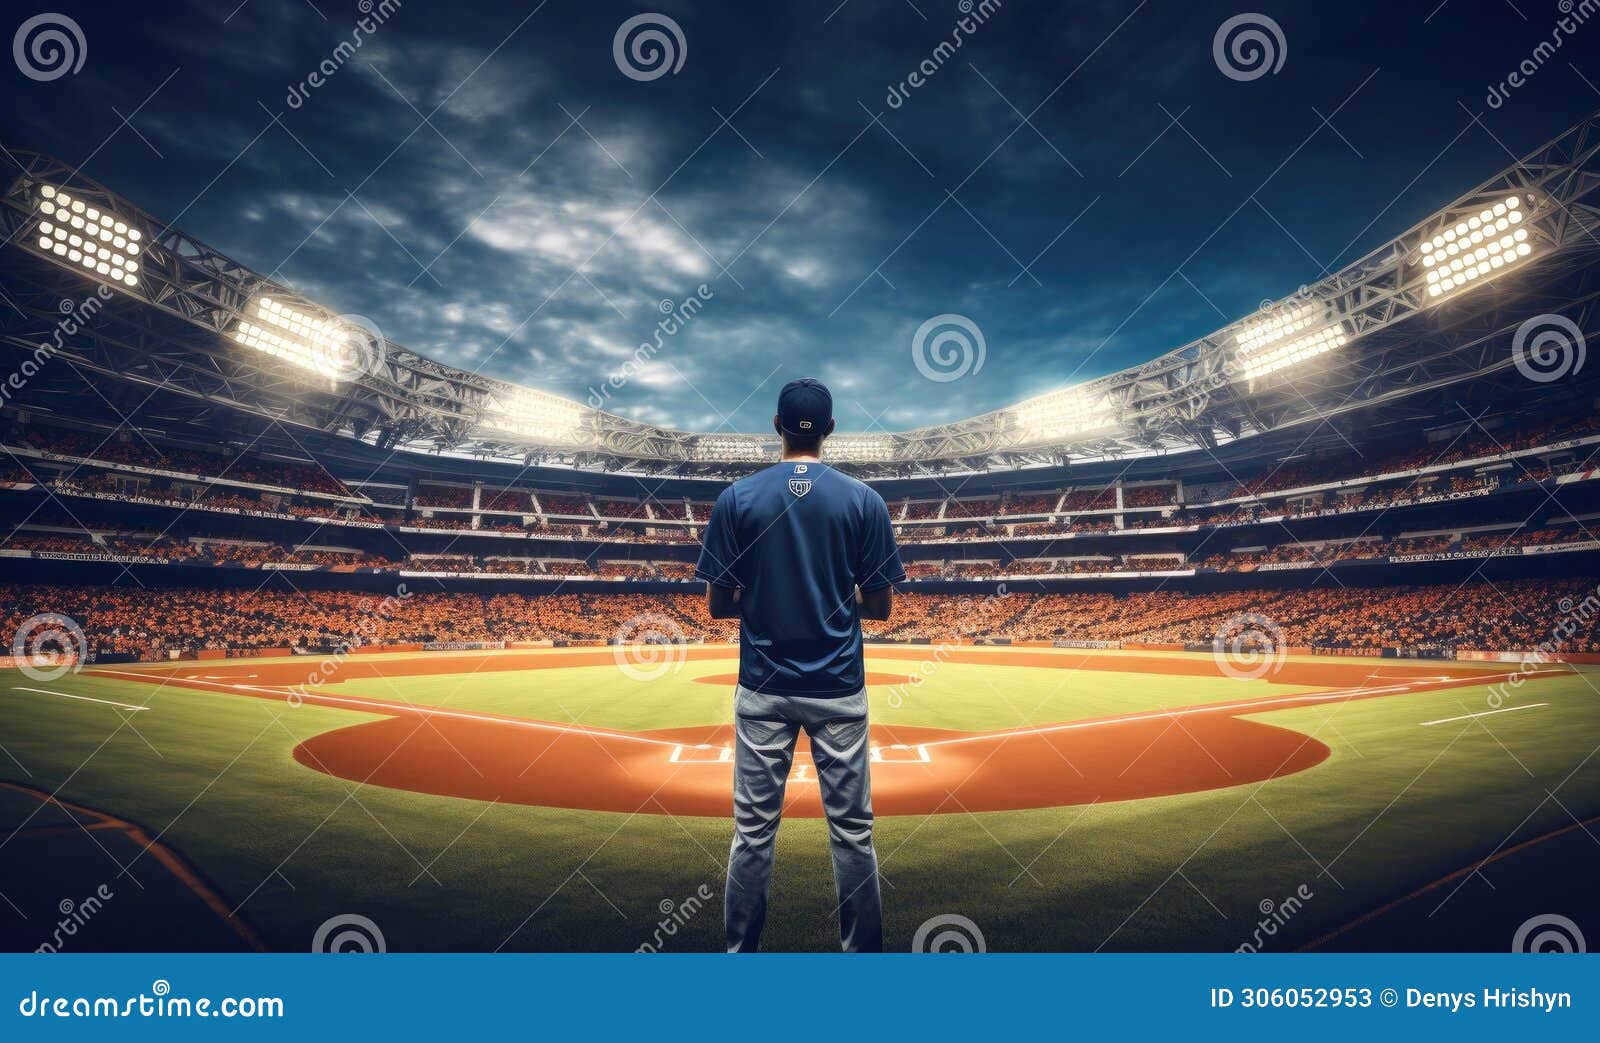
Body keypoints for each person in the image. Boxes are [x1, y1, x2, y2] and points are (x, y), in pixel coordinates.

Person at [695, 377, 906, 953]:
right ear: (831, 430)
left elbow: (718, 605)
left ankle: (740, 958)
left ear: (776, 426)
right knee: (853, 834)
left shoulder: (737, 498)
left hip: (763, 687)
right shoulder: (864, 500)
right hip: (838, 686)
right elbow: (880, 607)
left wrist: (768, 597)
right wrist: (834, 598)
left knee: (753, 833)